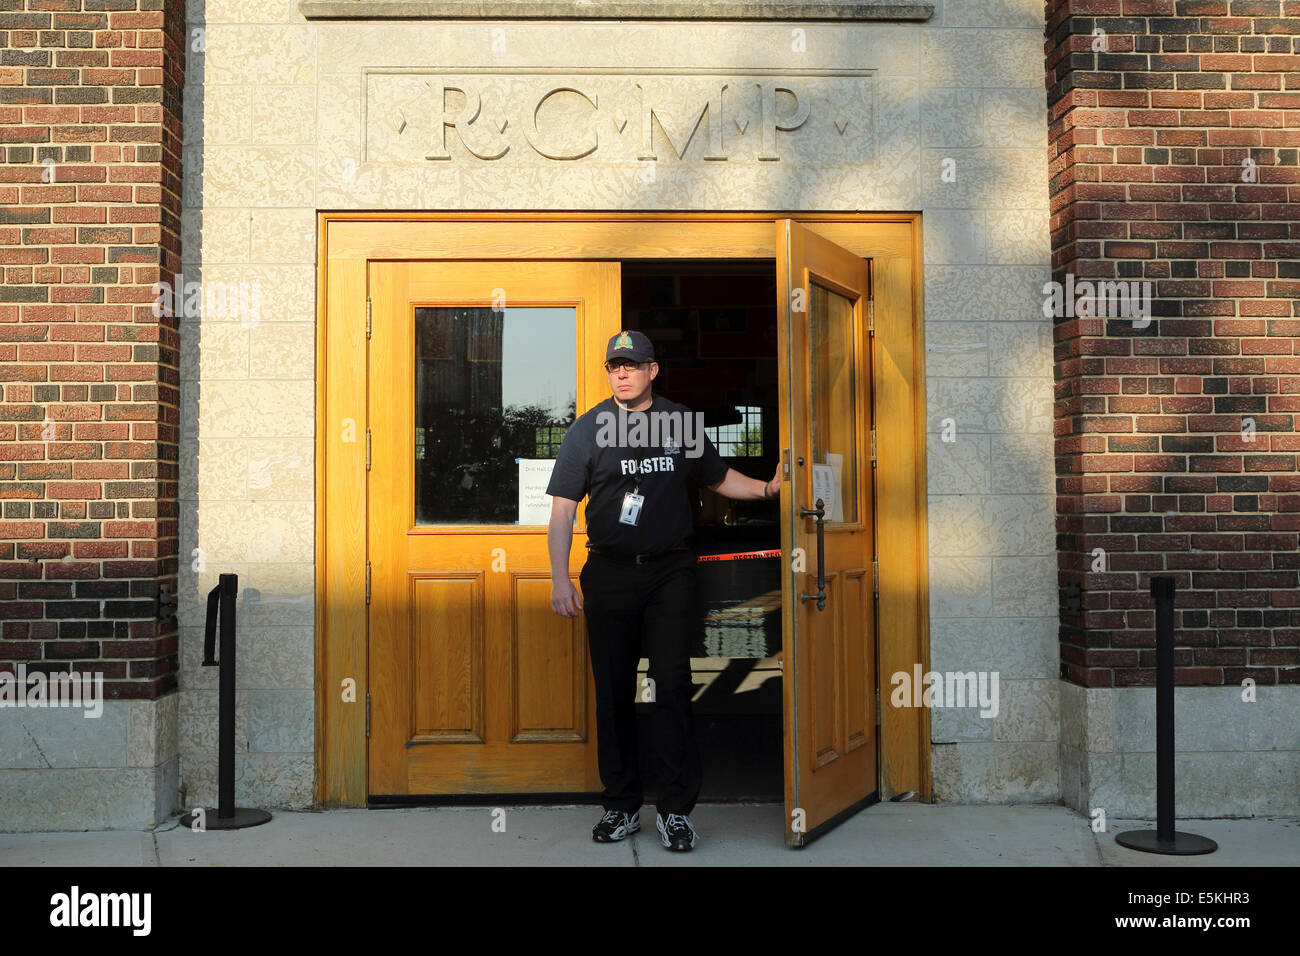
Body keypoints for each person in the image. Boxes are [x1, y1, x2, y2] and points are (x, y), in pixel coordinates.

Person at [546, 329, 780, 852]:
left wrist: (767, 489)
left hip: (670, 573)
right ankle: (622, 806)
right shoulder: (588, 430)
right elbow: (563, 510)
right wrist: (560, 578)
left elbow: (720, 480)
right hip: (608, 572)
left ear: (653, 370)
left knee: (672, 688)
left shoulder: (681, 423)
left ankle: (675, 811)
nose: (622, 373)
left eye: (632, 364)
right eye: (614, 366)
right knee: (613, 692)